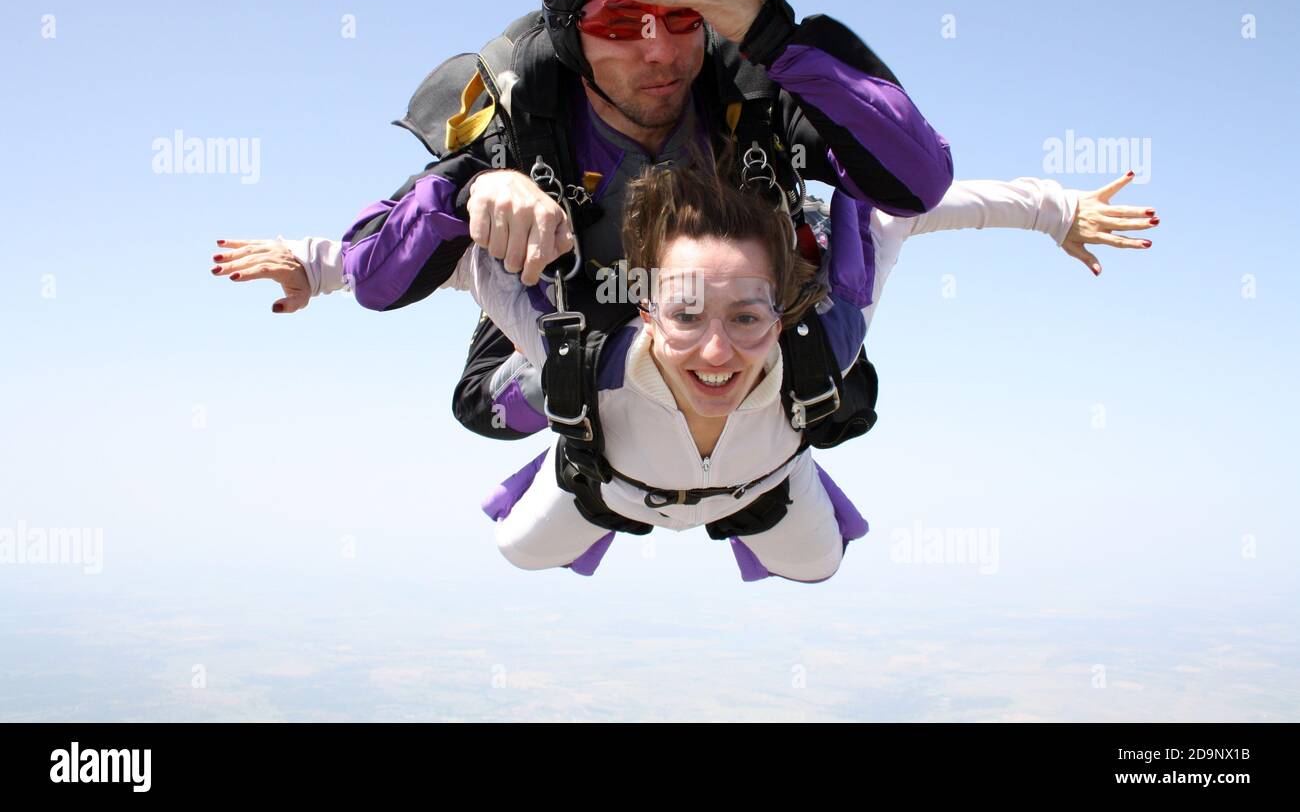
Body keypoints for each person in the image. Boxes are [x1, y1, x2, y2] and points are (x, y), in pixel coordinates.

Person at [210, 0, 955, 439]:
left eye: (684, 14)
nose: (660, 49)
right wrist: (472, 197)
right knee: (504, 403)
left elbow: (917, 183)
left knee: (834, 402)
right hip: (585, 310)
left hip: (725, 320)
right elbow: (380, 277)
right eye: (621, 21)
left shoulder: (751, 89)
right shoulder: (525, 116)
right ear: (569, 37)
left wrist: (767, 32)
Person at [252, 158, 1156, 582]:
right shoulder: (583, 353)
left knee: (819, 569)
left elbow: (905, 210)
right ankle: (556, 447)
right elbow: (453, 261)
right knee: (516, 551)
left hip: (763, 488)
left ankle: (734, 506)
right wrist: (315, 263)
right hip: (601, 485)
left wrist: (1058, 209)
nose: (718, 350)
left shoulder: (819, 342)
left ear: (783, 309)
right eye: (687, 317)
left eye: (747, 317)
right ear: (645, 307)